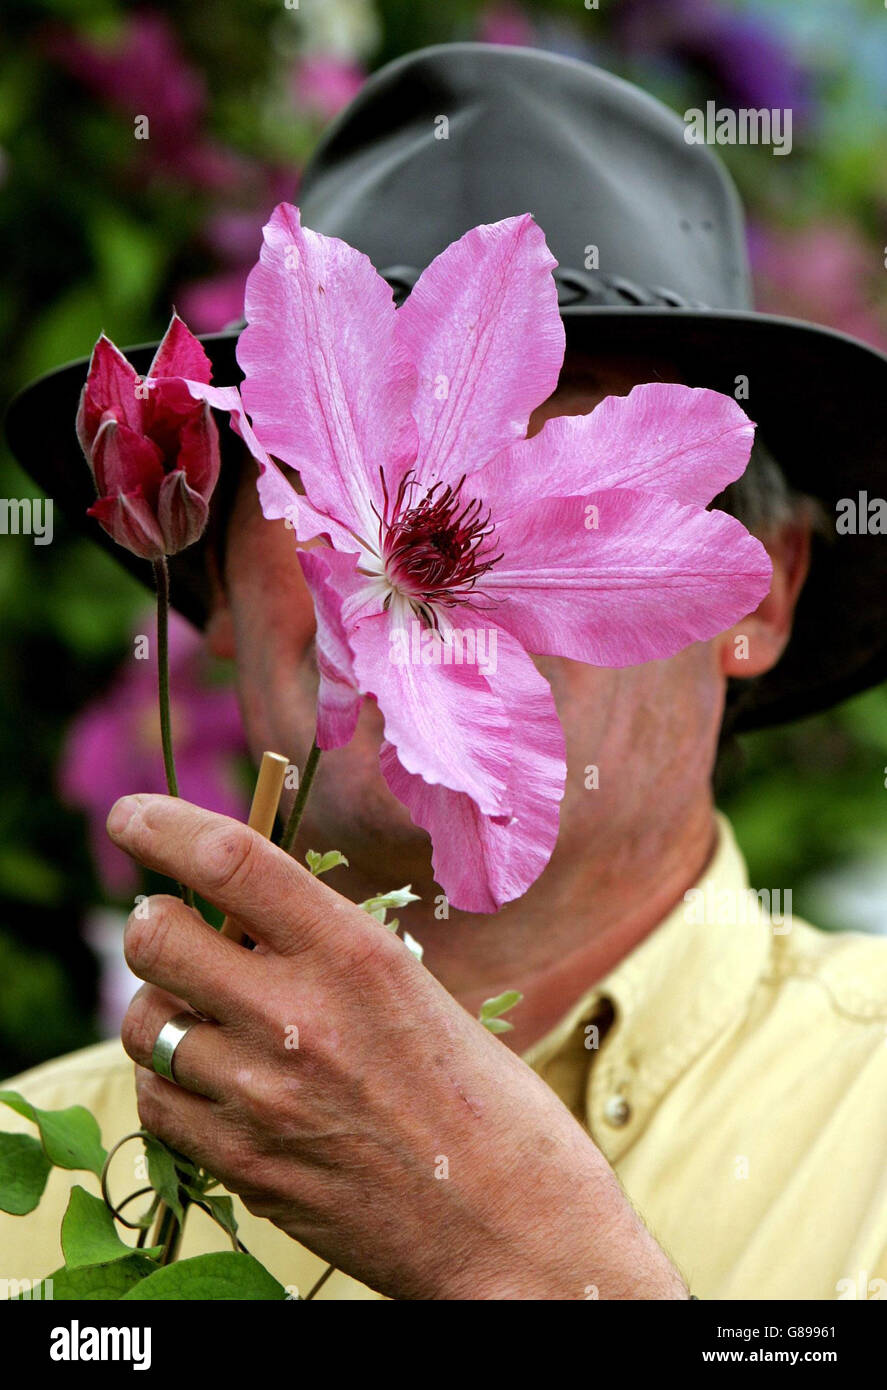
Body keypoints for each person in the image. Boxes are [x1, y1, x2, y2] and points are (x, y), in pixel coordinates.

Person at [2, 44, 886, 1301]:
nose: (449, 513)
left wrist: (520, 1258)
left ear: (765, 590)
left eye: (560, 436)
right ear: (205, 579)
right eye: (329, 459)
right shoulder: (28, 1181)